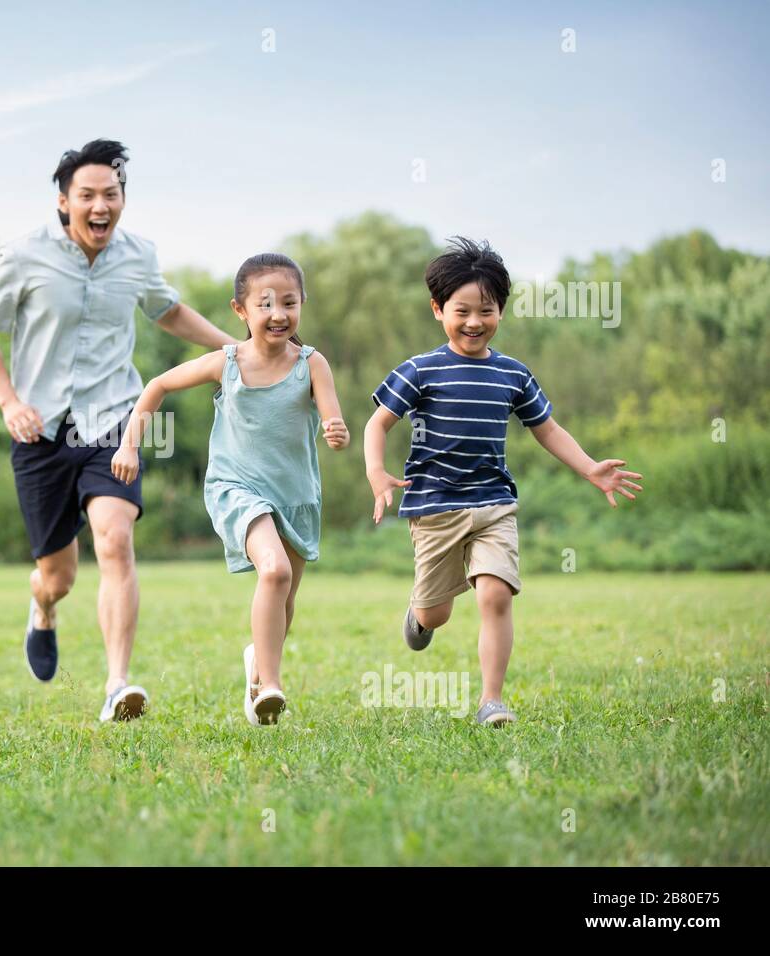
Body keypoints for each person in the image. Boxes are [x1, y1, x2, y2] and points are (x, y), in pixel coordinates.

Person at [0, 138, 236, 721]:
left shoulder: (138, 256)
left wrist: (235, 348)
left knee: (114, 541)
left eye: (110, 195)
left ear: (122, 199)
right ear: (63, 201)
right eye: (86, 195)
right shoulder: (22, 255)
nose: (99, 206)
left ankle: (117, 684)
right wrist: (8, 401)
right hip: (37, 428)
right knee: (58, 576)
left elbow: (167, 310)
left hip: (112, 419)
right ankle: (42, 609)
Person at [363, 238, 644, 726]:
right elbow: (377, 424)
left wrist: (589, 467)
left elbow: (548, 430)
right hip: (434, 507)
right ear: (438, 309)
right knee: (437, 615)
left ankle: (490, 699)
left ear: (501, 312)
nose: (474, 322)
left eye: (486, 310)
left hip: (494, 503)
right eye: (462, 311)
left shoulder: (513, 374)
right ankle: (419, 616)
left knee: (495, 594)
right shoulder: (419, 370)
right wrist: (376, 472)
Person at [112, 253, 349, 724]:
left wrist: (335, 428)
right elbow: (158, 385)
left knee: (286, 598)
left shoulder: (312, 363)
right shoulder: (227, 363)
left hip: (297, 495)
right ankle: (274, 685)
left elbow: (331, 414)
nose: (278, 313)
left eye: (289, 302)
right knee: (275, 572)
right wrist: (129, 446)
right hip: (237, 489)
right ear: (241, 311)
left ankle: (259, 671)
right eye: (265, 303)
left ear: (302, 305)